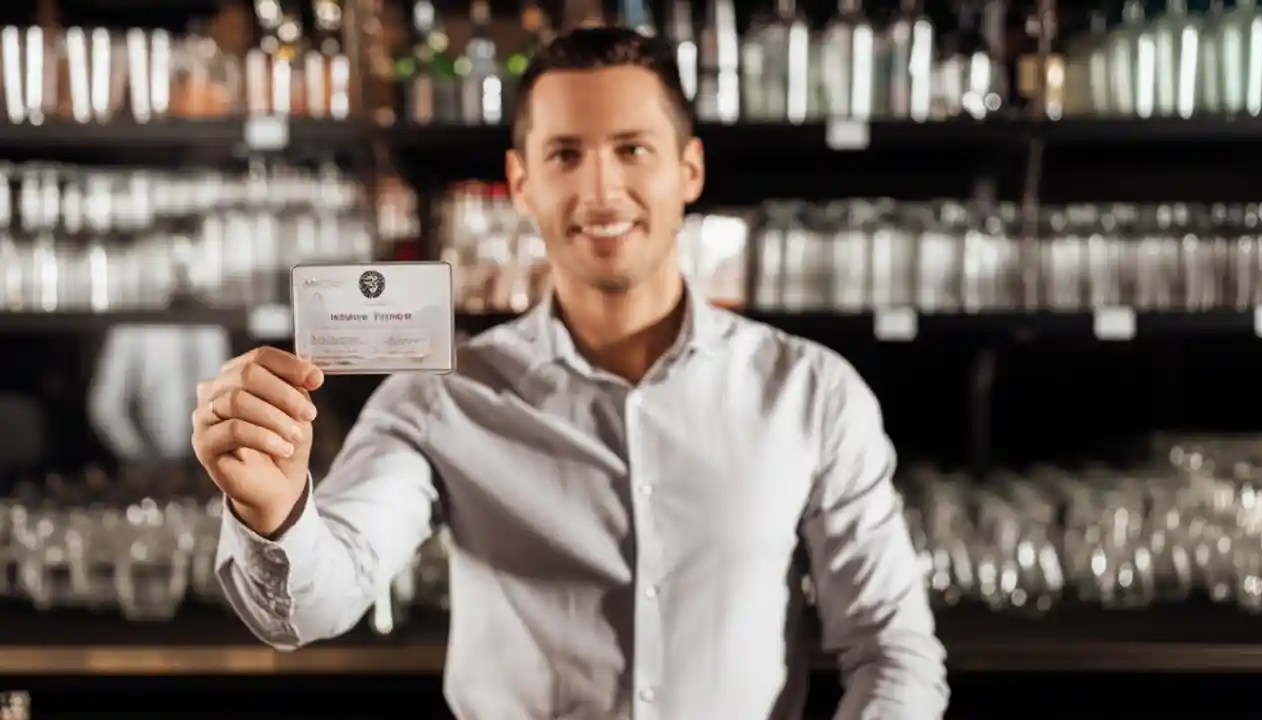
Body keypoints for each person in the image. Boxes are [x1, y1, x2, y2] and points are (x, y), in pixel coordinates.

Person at [192, 26, 949, 720]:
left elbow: (894, 652)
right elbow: (318, 604)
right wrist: (278, 508)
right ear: (522, 184)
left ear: (689, 170)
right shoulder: (441, 397)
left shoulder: (811, 392)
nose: (598, 190)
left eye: (632, 149)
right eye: (565, 155)